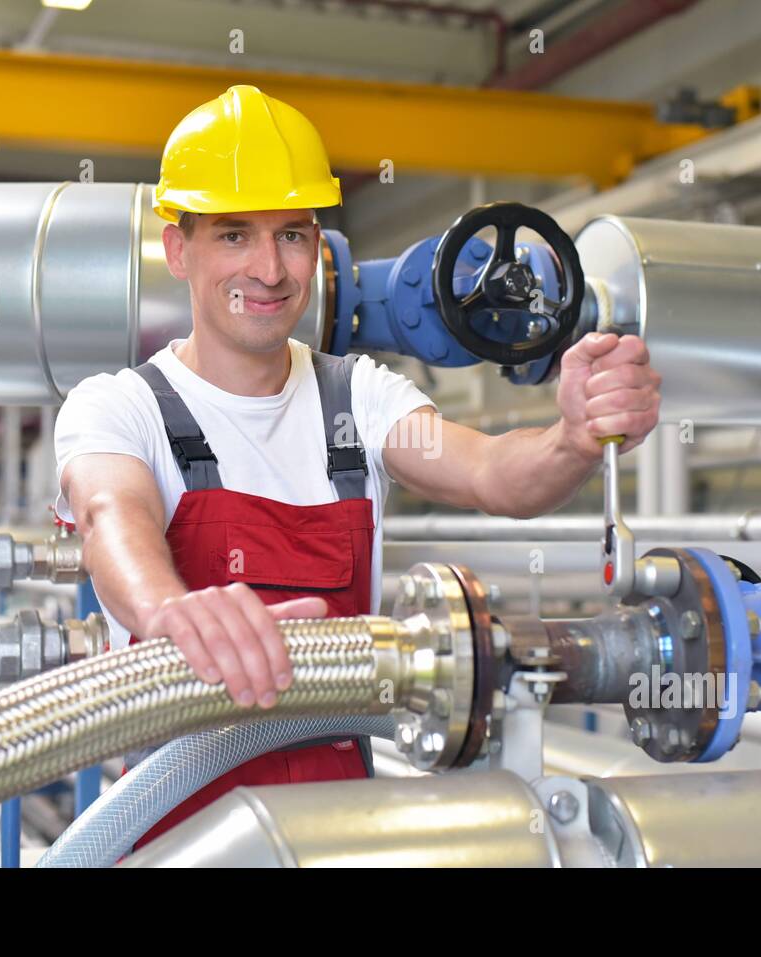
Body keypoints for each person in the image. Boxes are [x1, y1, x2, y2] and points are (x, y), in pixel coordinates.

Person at [54, 84, 661, 849]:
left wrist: (572, 436)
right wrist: (166, 610)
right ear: (180, 248)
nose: (270, 269)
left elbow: (490, 473)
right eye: (235, 235)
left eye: (294, 235)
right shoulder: (118, 406)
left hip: (339, 835)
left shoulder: (356, 397)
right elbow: (115, 517)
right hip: (174, 837)